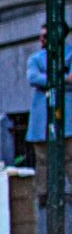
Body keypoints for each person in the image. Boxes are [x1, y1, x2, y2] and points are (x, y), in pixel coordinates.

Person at [28, 23, 72, 203]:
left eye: (45, 36)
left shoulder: (69, 53)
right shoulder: (36, 58)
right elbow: (33, 78)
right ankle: (43, 193)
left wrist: (48, 80)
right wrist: (63, 79)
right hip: (42, 112)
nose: (41, 40)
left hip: (68, 110)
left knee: (70, 154)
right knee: (42, 157)